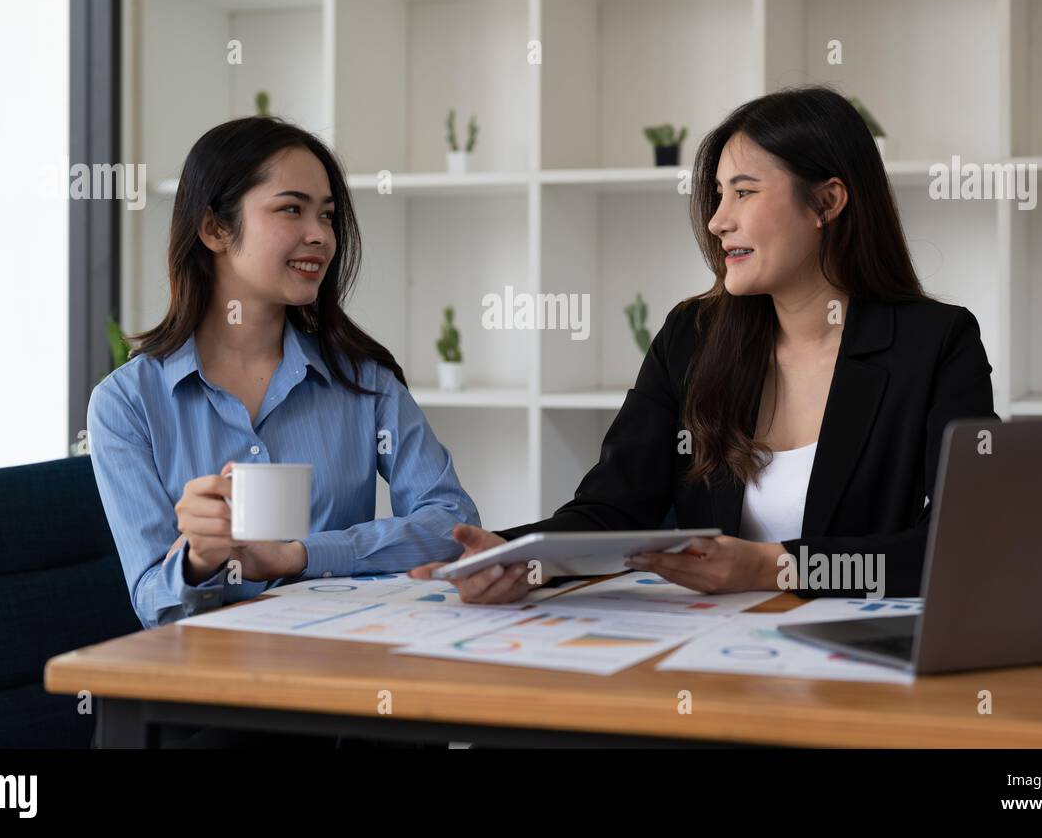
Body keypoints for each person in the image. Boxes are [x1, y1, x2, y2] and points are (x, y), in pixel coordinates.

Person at [411, 85, 997, 603]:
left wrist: (773, 567)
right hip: (704, 659)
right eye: (717, 195)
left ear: (827, 202)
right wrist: (517, 556)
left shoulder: (937, 344)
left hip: (849, 661)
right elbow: (614, 509)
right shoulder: (691, 337)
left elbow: (964, 543)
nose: (717, 221)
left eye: (743, 192)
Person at [88, 116, 479, 630]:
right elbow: (155, 605)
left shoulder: (365, 382)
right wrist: (200, 561)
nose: (320, 236)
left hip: (347, 661)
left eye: (328, 215)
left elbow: (454, 525)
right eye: (291, 209)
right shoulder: (127, 404)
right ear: (215, 229)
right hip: (215, 688)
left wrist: (300, 554)